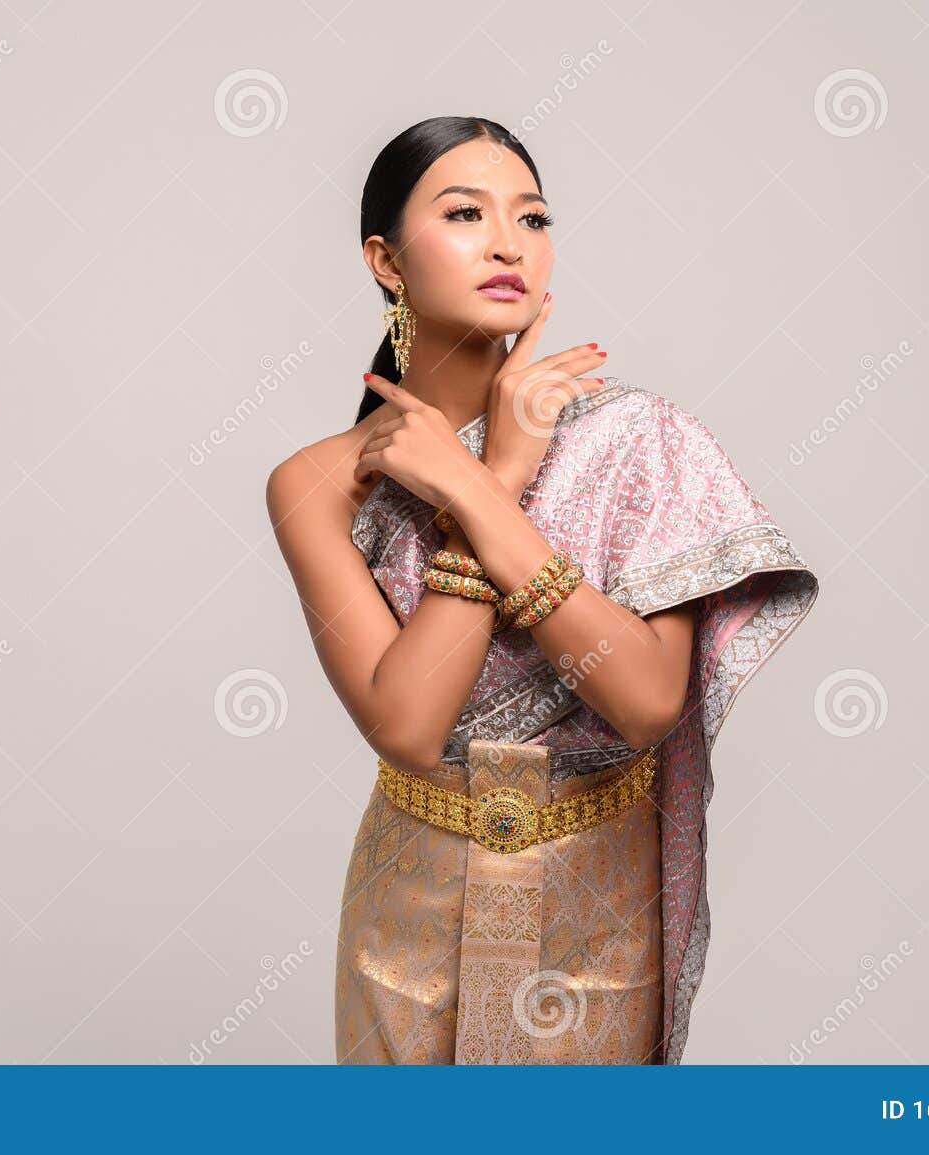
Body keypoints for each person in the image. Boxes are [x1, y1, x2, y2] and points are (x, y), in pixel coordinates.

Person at [265, 115, 820, 1064]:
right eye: (465, 213)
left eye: (532, 216)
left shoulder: (641, 440)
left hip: (594, 914)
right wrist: (502, 473)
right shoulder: (317, 482)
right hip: (409, 917)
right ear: (385, 260)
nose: (507, 242)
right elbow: (406, 724)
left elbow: (645, 701)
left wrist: (486, 490)